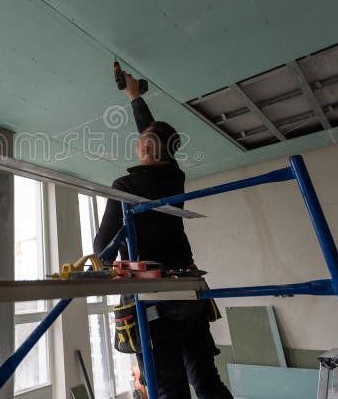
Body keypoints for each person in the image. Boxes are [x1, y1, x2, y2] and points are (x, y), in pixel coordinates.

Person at [93, 72, 233, 399]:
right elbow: (155, 138)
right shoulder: (174, 177)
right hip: (187, 289)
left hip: (152, 298)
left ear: (143, 147)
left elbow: (103, 247)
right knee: (207, 382)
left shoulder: (125, 188)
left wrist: (106, 267)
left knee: (169, 388)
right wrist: (133, 97)